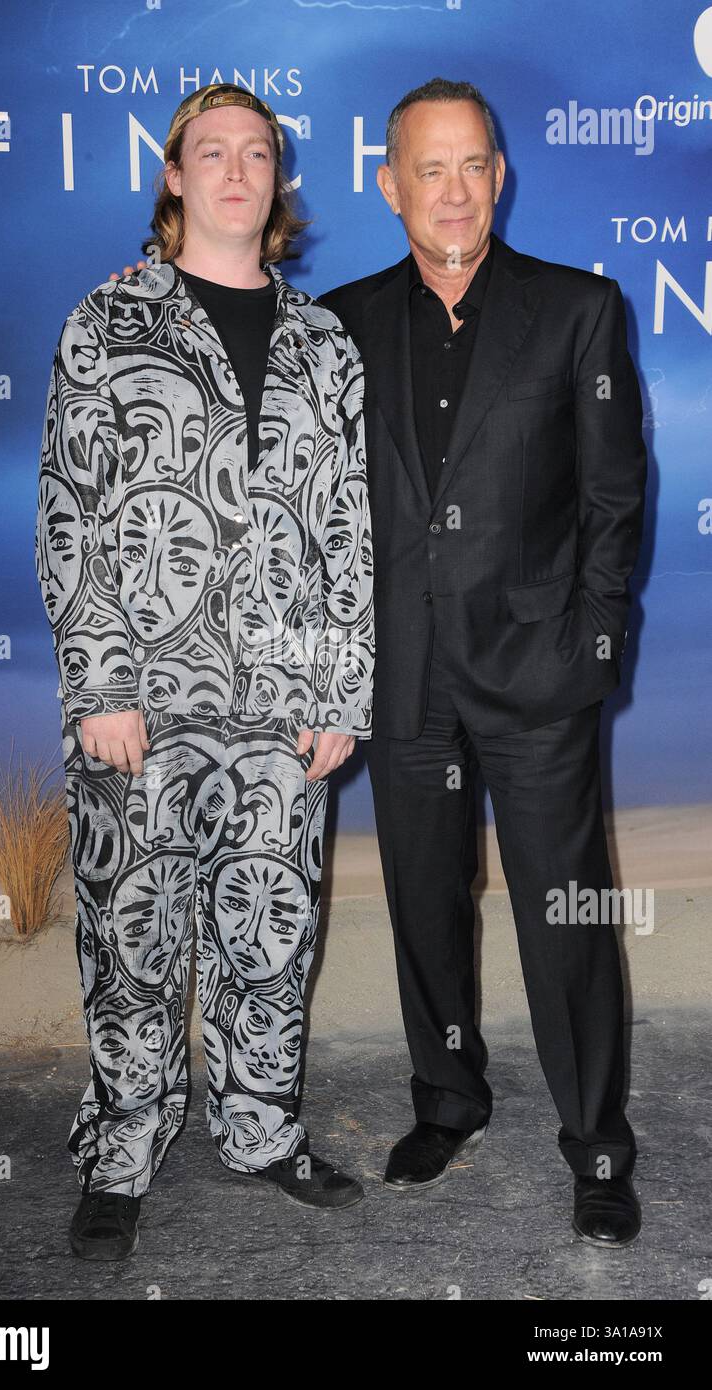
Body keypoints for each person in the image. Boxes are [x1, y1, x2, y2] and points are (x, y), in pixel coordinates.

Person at [35, 83, 375, 1260]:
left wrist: (340, 689)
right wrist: (99, 686)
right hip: (144, 702)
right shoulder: (108, 320)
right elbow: (69, 514)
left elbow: (346, 529)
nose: (238, 169)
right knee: (132, 936)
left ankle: (261, 1130)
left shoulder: (325, 342)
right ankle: (122, 1148)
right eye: (211, 152)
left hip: (283, 705)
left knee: (270, 935)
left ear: (278, 181)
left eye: (259, 153)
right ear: (174, 176)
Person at [318, 78, 647, 1247]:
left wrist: (592, 639)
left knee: (566, 911)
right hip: (402, 675)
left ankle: (597, 1143)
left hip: (536, 673)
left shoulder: (578, 310)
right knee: (424, 905)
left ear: (498, 177)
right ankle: (447, 1097)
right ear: (389, 183)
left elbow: (615, 494)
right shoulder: (340, 323)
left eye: (474, 166)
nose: (453, 191)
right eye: (430, 168)